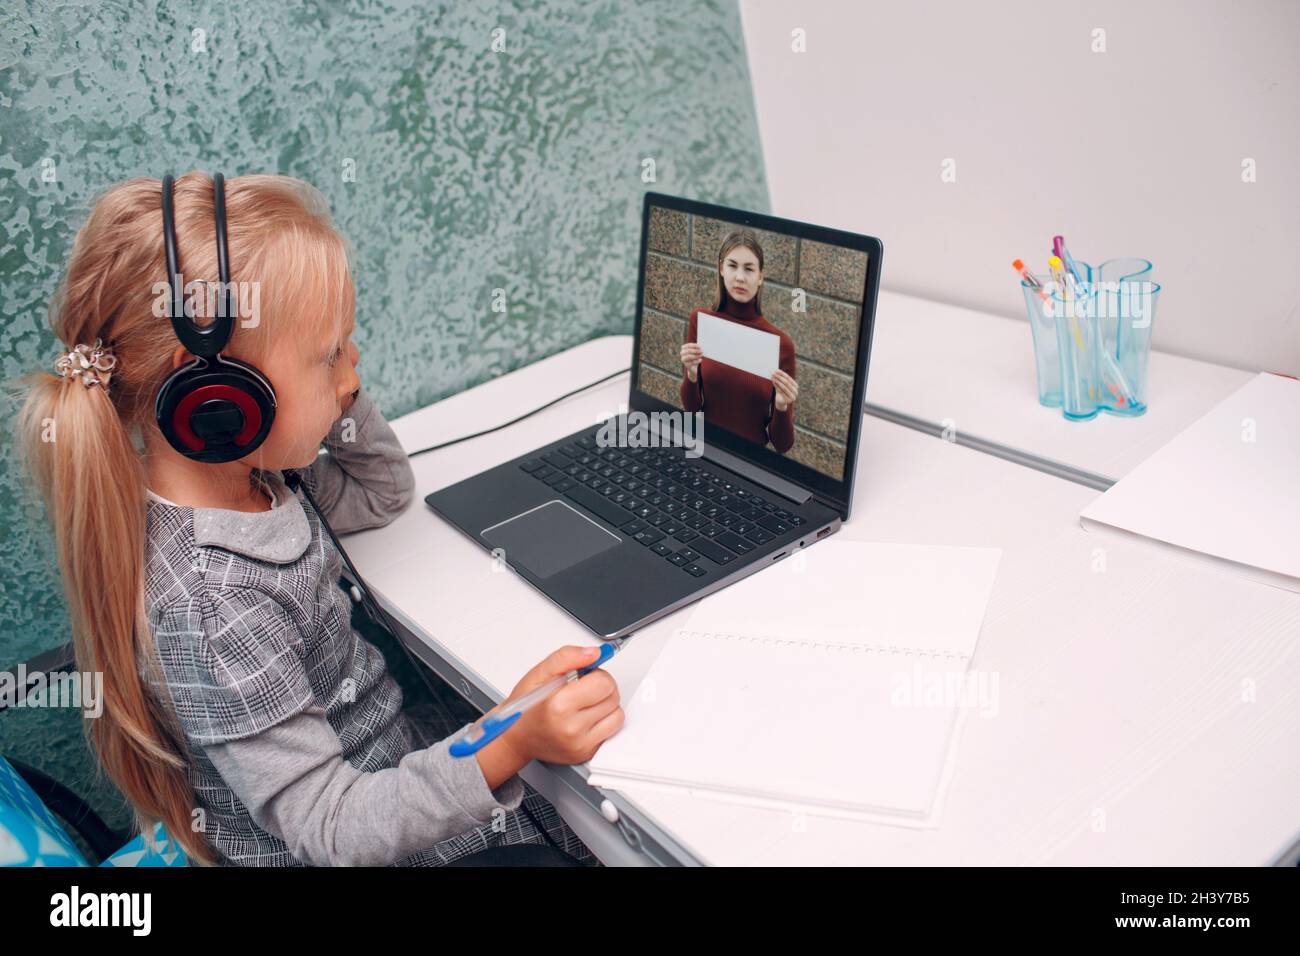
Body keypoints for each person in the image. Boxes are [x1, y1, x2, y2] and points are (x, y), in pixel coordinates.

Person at [13, 172, 622, 866]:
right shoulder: (215, 604)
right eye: (328, 354)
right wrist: (510, 742)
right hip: (355, 837)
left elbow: (381, 491)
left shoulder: (256, 481)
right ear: (216, 394)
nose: (350, 372)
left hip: (391, 762)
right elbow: (332, 829)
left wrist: (340, 387)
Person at [679, 230, 798, 453]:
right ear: (721, 269)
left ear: (761, 276)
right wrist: (691, 375)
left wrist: (782, 407)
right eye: (733, 266)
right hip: (704, 449)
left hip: (751, 462)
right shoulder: (702, 321)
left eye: (749, 269)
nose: (740, 277)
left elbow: (782, 445)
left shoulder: (781, 345)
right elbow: (692, 407)